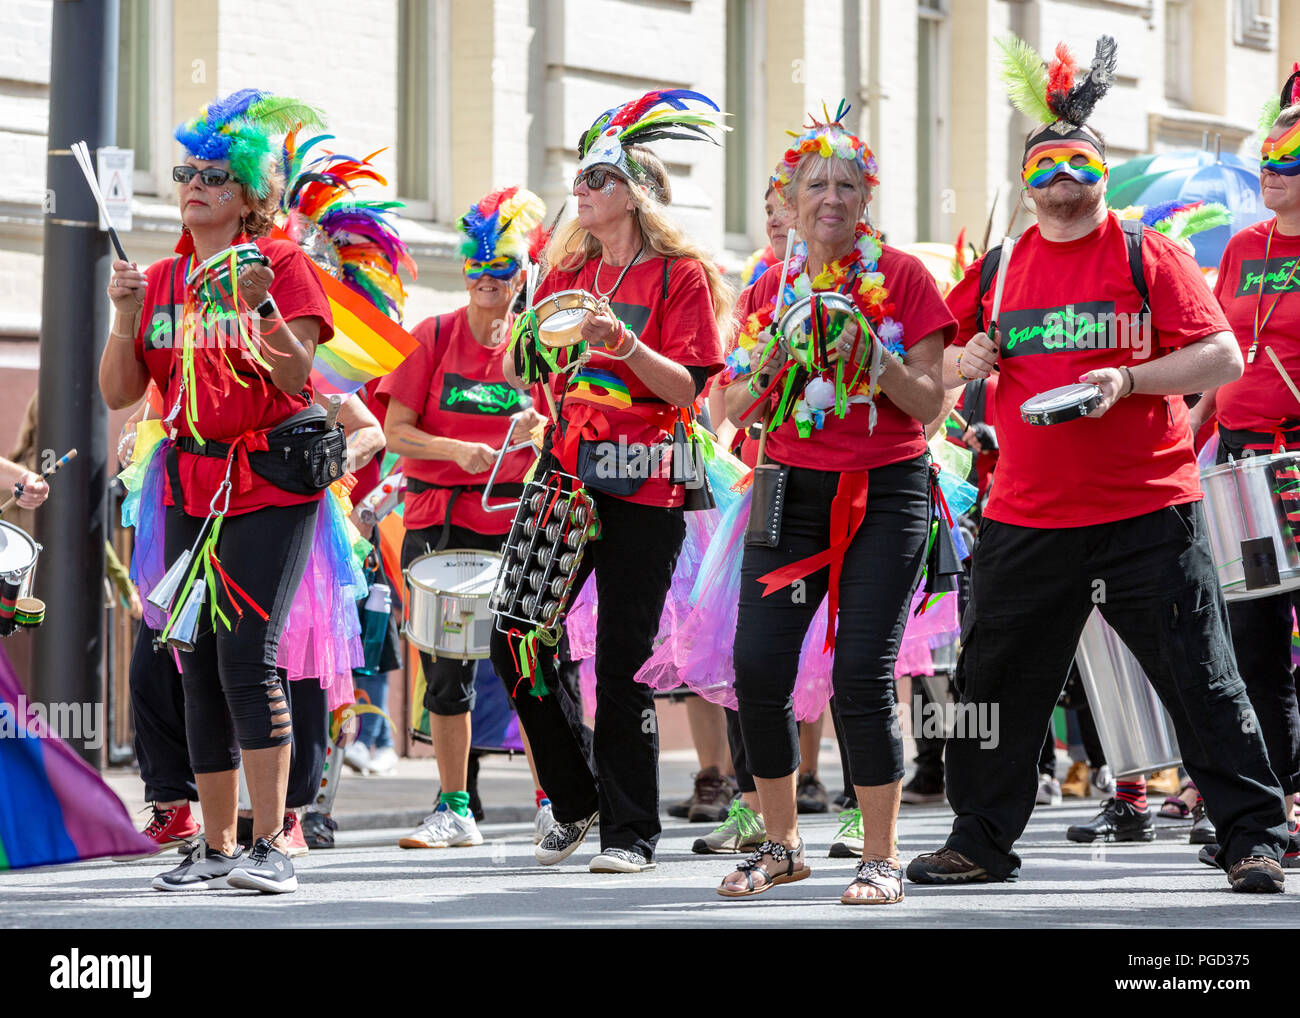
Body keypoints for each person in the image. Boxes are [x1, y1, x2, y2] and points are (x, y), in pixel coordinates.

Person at [906, 35, 1289, 893]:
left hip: (1148, 510)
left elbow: (1223, 358)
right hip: (1027, 515)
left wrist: (1130, 378)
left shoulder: (1147, 254)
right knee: (986, 686)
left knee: (1203, 678)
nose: (1060, 179)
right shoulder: (997, 271)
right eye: (1044, 167)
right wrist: (961, 363)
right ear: (1027, 178)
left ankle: (1254, 837)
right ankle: (978, 838)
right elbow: (931, 373)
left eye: (1077, 164)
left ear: (1100, 174)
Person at [716, 101, 954, 904]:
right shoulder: (768, 284)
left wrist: (876, 358)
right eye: (815, 184)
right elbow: (735, 408)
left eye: (847, 185)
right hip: (788, 488)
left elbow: (932, 406)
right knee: (755, 667)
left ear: (866, 199)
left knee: (861, 672)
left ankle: (879, 854)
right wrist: (776, 358)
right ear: (788, 199)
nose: (831, 198)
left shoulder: (908, 278)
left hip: (887, 490)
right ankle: (780, 844)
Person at [99, 89, 336, 894]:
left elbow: (298, 373)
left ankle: (274, 842)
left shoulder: (284, 266)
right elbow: (120, 393)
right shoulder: (160, 278)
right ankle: (218, 845)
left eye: (213, 175)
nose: (193, 184)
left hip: (271, 476)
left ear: (247, 197)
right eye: (185, 172)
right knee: (191, 659)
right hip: (191, 478)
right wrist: (125, 317)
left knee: (245, 653)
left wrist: (257, 304)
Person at [495, 88, 729, 873]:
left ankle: (630, 834)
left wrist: (624, 342)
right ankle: (576, 798)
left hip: (645, 479)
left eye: (597, 178)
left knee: (624, 661)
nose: (581, 192)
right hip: (564, 475)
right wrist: (527, 362)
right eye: (580, 179)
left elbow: (688, 391)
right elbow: (534, 372)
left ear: (632, 190)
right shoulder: (566, 270)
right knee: (516, 635)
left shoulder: (679, 275)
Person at [379, 187, 549, 850]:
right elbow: (396, 431)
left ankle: (552, 800)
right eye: (474, 269)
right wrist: (457, 450)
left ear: (523, 275)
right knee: (447, 669)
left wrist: (540, 429)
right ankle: (454, 806)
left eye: (499, 271)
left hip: (517, 522)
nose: (484, 282)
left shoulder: (539, 348)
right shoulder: (434, 336)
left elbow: (574, 424)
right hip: (442, 523)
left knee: (530, 665)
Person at [1186, 68, 1300, 869]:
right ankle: (1275, 804)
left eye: (1288, 160)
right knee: (1252, 641)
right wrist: (1185, 433)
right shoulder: (1241, 248)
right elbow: (1226, 360)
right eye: (1267, 157)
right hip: (1240, 460)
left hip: (1299, 457)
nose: (1270, 170)